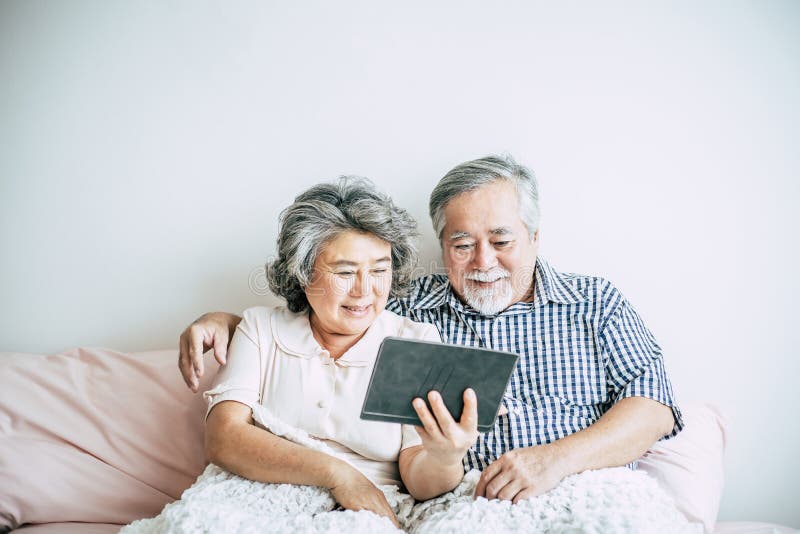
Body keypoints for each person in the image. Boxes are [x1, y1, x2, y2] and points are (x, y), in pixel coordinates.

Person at [180, 154, 682, 505]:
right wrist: (229, 323)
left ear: (534, 236)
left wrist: (553, 462)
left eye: (501, 241)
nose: (483, 261)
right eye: (462, 244)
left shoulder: (595, 303)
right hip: (473, 502)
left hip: (587, 485)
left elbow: (655, 408)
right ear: (441, 246)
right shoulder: (413, 310)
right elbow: (330, 307)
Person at [197, 176, 478, 528]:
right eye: (345, 272)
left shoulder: (414, 342)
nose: (364, 290)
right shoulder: (260, 328)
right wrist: (339, 475)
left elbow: (421, 483)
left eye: (379, 270)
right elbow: (223, 437)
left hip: (367, 512)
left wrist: (446, 457)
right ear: (302, 273)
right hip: (256, 500)